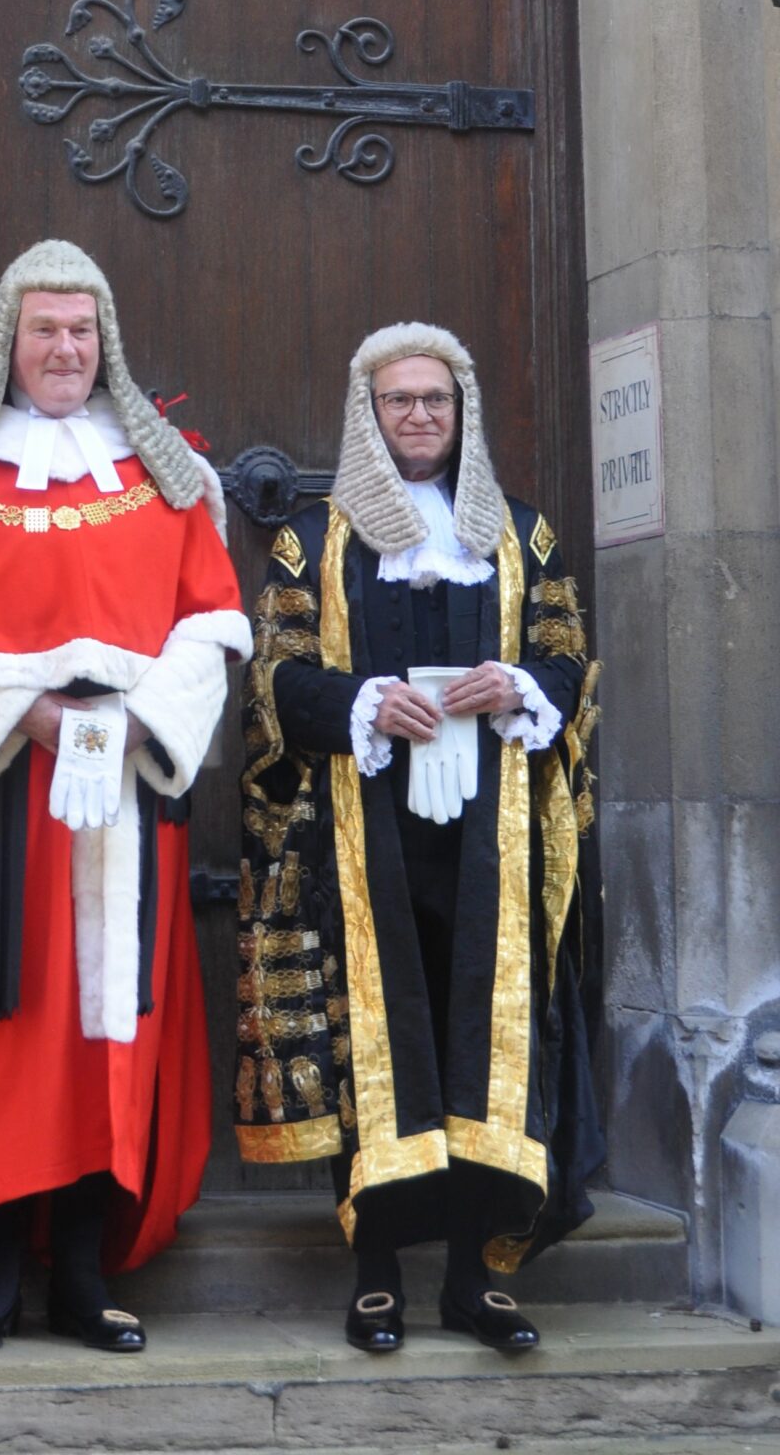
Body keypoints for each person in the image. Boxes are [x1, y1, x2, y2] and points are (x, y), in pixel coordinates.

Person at [0, 239, 250, 1355]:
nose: (64, 349)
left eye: (80, 330)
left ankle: (80, 1272)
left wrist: (131, 723)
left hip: (120, 791)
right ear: (6, 341)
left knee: (99, 1030)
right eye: (43, 330)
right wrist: (26, 715)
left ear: (103, 340)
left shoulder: (162, 470)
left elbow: (211, 622)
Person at [235, 322, 603, 1355]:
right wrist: (362, 701)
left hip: (494, 844)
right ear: (370, 413)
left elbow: (568, 655)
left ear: (462, 409)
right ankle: (376, 1277)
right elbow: (274, 675)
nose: (419, 415)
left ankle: (473, 1282)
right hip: (365, 842)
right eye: (398, 399)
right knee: (381, 1047)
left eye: (436, 398)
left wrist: (519, 685)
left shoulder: (520, 535)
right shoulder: (315, 539)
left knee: (482, 1047)